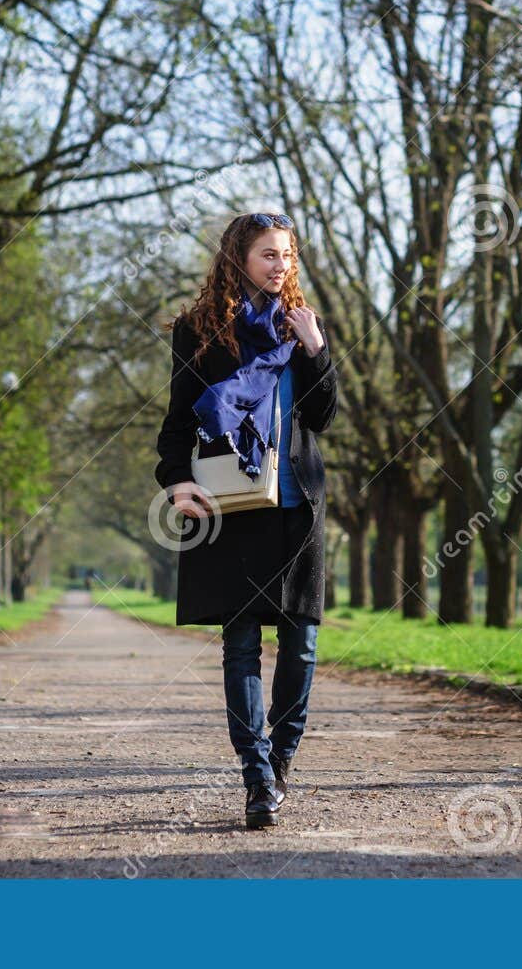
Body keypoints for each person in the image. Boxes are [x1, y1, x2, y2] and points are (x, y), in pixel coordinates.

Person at [153, 212, 339, 829]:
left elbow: (322, 415)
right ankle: (257, 776)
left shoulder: (303, 327)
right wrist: (177, 480)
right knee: (240, 646)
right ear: (238, 258)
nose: (281, 265)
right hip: (231, 509)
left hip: (296, 506)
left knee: (301, 644)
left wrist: (315, 349)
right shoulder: (200, 330)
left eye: (287, 254)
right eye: (268, 254)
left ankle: (279, 762)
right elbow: (180, 417)